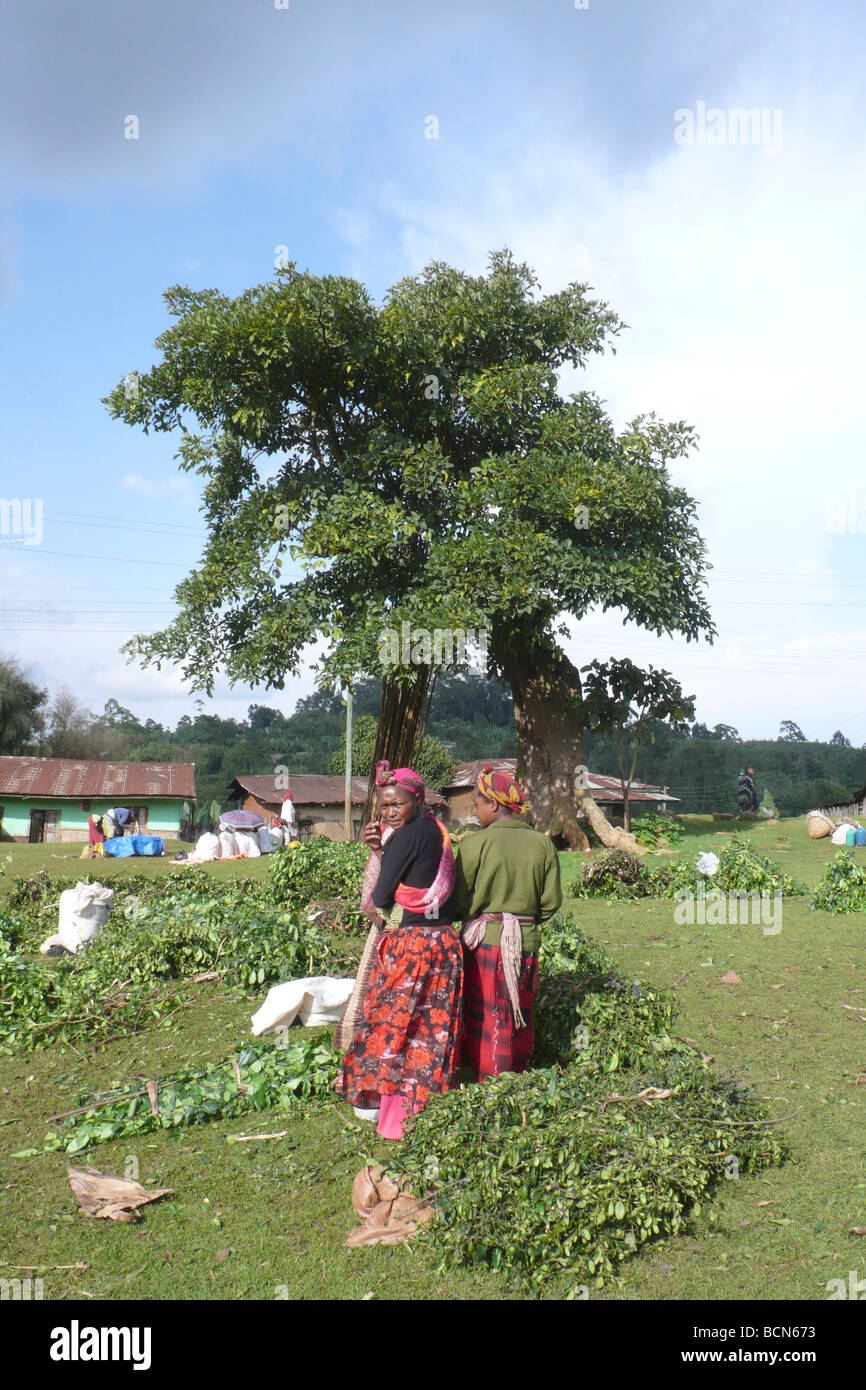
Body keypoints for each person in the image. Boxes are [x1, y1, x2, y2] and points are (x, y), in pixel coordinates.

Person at [334, 761, 462, 1141]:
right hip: (444, 944)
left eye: (398, 804)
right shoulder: (439, 832)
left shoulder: (406, 836)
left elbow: (380, 897)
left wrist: (379, 854)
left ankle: (381, 1108)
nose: (390, 812)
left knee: (391, 1025)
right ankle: (424, 1109)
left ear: (418, 799)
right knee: (431, 1031)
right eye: (384, 806)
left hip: (411, 948)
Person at [451, 765, 562, 1081]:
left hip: (486, 943)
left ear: (494, 804)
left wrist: (479, 916)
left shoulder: (474, 844)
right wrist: (523, 922)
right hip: (525, 943)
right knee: (519, 1012)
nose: (474, 811)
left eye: (477, 804)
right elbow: (551, 902)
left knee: (488, 1013)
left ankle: (488, 1077)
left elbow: (458, 900)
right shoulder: (543, 844)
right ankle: (518, 1072)